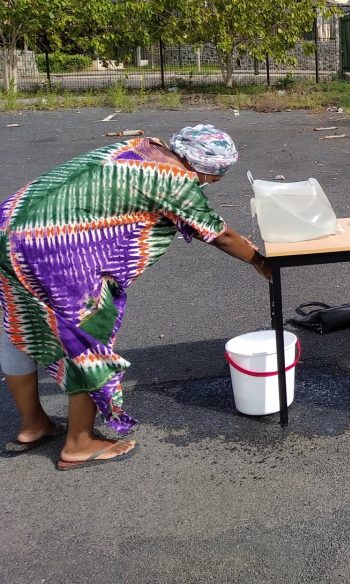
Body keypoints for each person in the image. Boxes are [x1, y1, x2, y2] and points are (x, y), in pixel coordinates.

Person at [0, 125, 271, 470]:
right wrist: (260, 262)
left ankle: (33, 425)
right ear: (203, 166)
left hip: (8, 229)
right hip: (52, 247)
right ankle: (79, 443)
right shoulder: (173, 178)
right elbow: (217, 234)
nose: (216, 181)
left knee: (19, 327)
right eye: (217, 174)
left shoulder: (142, 148)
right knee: (86, 338)